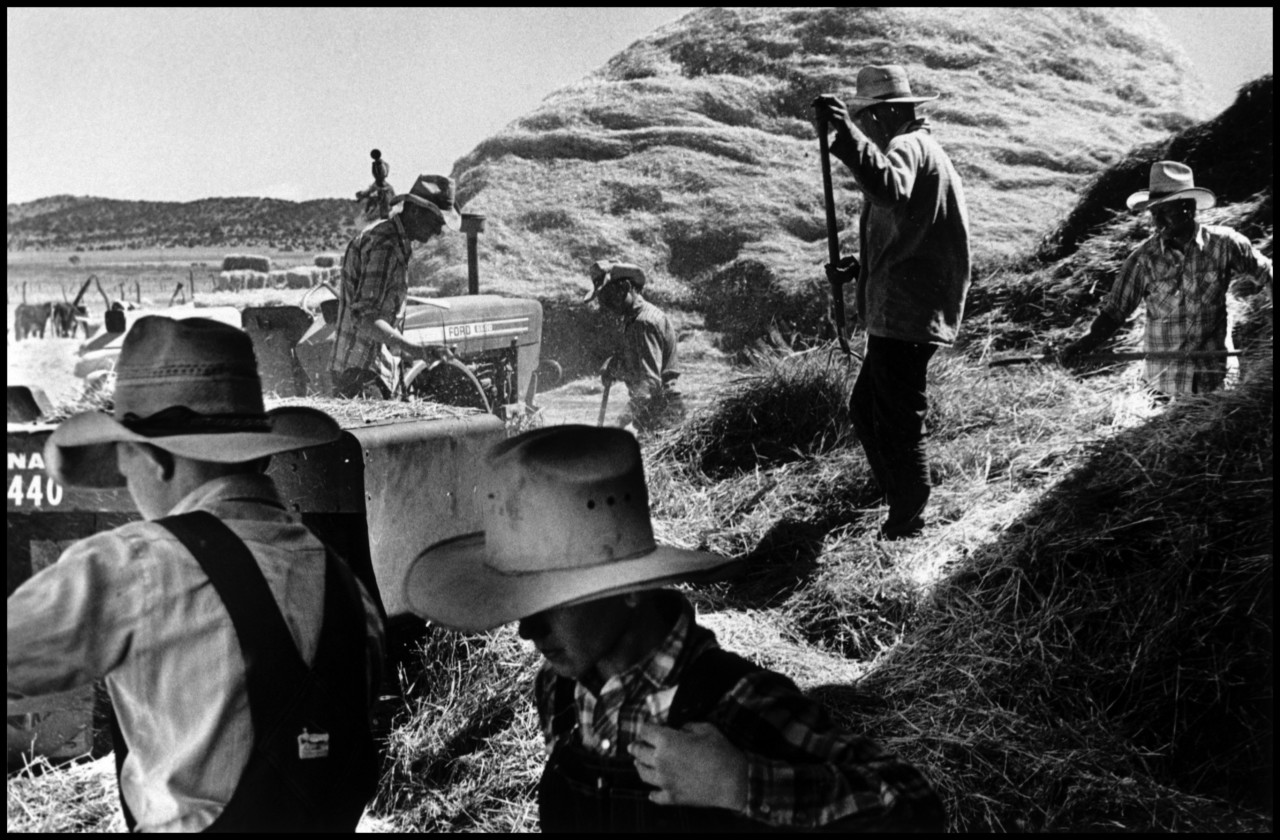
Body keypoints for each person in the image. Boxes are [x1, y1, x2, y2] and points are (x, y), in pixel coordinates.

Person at [403, 425, 946, 833]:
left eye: (552, 600)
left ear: (629, 587)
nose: (527, 630)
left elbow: (913, 803)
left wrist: (742, 784)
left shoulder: (738, 703)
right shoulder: (561, 693)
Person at [8, 316, 385, 832]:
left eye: (124, 463)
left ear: (155, 461)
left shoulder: (135, 568)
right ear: (256, 459)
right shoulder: (347, 588)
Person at [814, 65, 971, 540]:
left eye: (870, 118)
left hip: (907, 312)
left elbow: (887, 187)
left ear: (884, 115)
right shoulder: (924, 151)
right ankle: (898, 497)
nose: (872, 128)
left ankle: (909, 518)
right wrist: (861, 271)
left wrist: (844, 133)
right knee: (867, 407)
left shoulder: (907, 148)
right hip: (906, 305)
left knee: (898, 418)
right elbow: (910, 239)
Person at [1060, 160, 1272, 398]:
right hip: (1164, 383)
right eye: (1154, 214)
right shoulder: (1143, 259)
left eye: (1166, 213)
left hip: (1215, 380)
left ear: (1188, 209)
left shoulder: (1225, 244)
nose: (1158, 222)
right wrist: (1085, 344)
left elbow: (1267, 272)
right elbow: (1115, 311)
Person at [330, 173, 462, 399]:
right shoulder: (387, 245)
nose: (438, 231)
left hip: (362, 370)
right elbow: (365, 317)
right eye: (436, 222)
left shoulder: (391, 239)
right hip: (362, 374)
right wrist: (416, 350)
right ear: (414, 211)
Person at [583, 260, 685, 432]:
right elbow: (637, 360)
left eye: (607, 297)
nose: (604, 305)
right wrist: (614, 365)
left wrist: (617, 424)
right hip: (653, 412)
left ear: (625, 287)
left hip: (664, 414)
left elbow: (648, 384)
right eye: (601, 299)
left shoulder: (643, 323)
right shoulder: (633, 319)